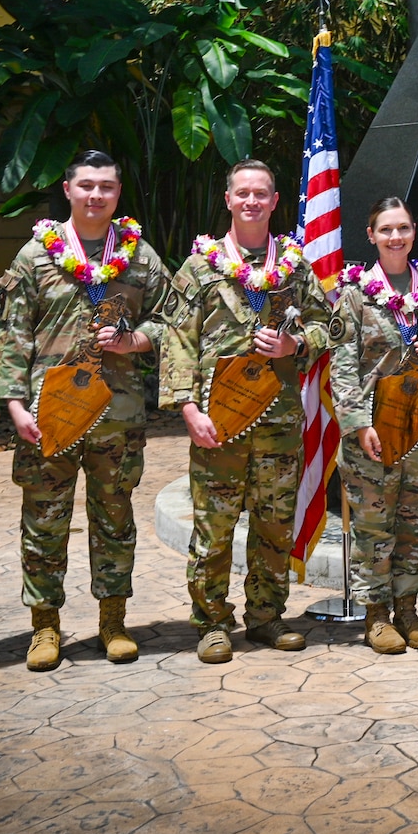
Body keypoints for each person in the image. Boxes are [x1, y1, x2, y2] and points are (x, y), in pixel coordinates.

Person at [0, 150, 171, 673]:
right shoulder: (35, 256)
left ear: (118, 194)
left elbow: (174, 317)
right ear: (67, 189)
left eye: (107, 187)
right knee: (44, 521)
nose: (97, 195)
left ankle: (113, 622)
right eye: (87, 185)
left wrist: (135, 340)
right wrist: (15, 406)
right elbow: (12, 335)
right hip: (49, 416)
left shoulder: (139, 256)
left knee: (114, 519)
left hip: (118, 416)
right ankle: (45, 626)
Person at [161, 159, 341, 662]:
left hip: (280, 422)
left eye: (261, 194)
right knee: (214, 527)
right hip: (218, 422)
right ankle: (212, 622)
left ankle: (265, 617)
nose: (252, 202)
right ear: (228, 200)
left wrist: (295, 346)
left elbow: (332, 327)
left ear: (275, 201)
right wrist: (188, 410)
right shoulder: (200, 266)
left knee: (274, 524)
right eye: (243, 193)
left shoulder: (296, 264)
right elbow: (178, 340)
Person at [330, 196, 418, 655]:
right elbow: (341, 365)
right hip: (373, 428)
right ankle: (376, 615)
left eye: (402, 228)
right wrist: (357, 424)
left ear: (414, 232)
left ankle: (408, 609)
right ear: (371, 236)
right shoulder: (354, 294)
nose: (395, 237)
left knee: (414, 521)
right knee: (373, 524)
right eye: (386, 230)